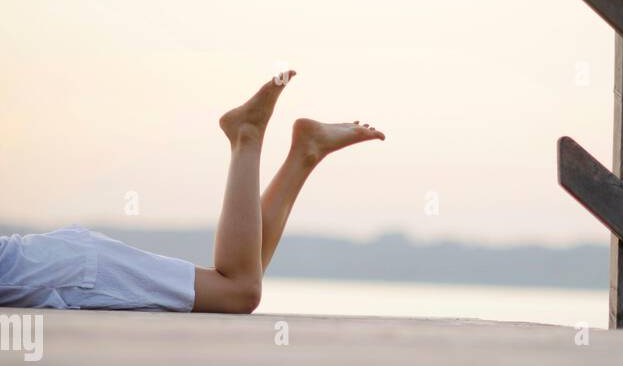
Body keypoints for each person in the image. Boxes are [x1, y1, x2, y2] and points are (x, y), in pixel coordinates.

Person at [0, 75, 384, 314]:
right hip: (57, 263)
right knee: (237, 282)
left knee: (238, 291)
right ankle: (305, 154)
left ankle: (246, 137)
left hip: (60, 271)